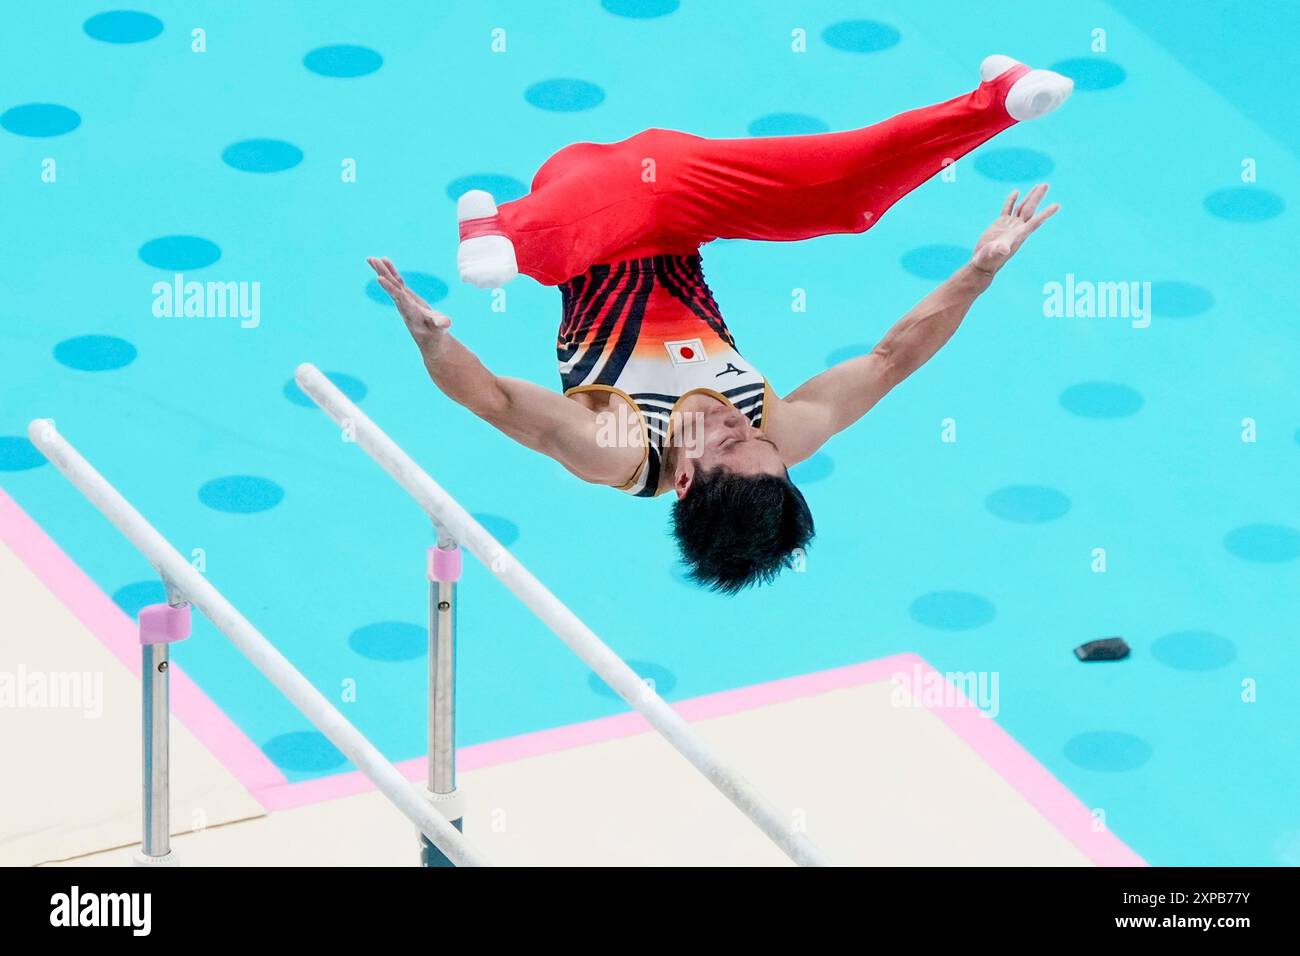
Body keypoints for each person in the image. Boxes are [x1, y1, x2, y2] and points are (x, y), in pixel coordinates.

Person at [370, 55, 1071, 593]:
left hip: (584, 213)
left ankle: (508, 231)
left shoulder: (615, 448)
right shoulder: (780, 435)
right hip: (683, 204)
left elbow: (490, 398)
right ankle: (997, 101)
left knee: (571, 239)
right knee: (850, 200)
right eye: (762, 445)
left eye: (732, 442)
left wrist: (430, 335)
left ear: (682, 483)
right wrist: (980, 268)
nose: (747, 428)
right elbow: (891, 360)